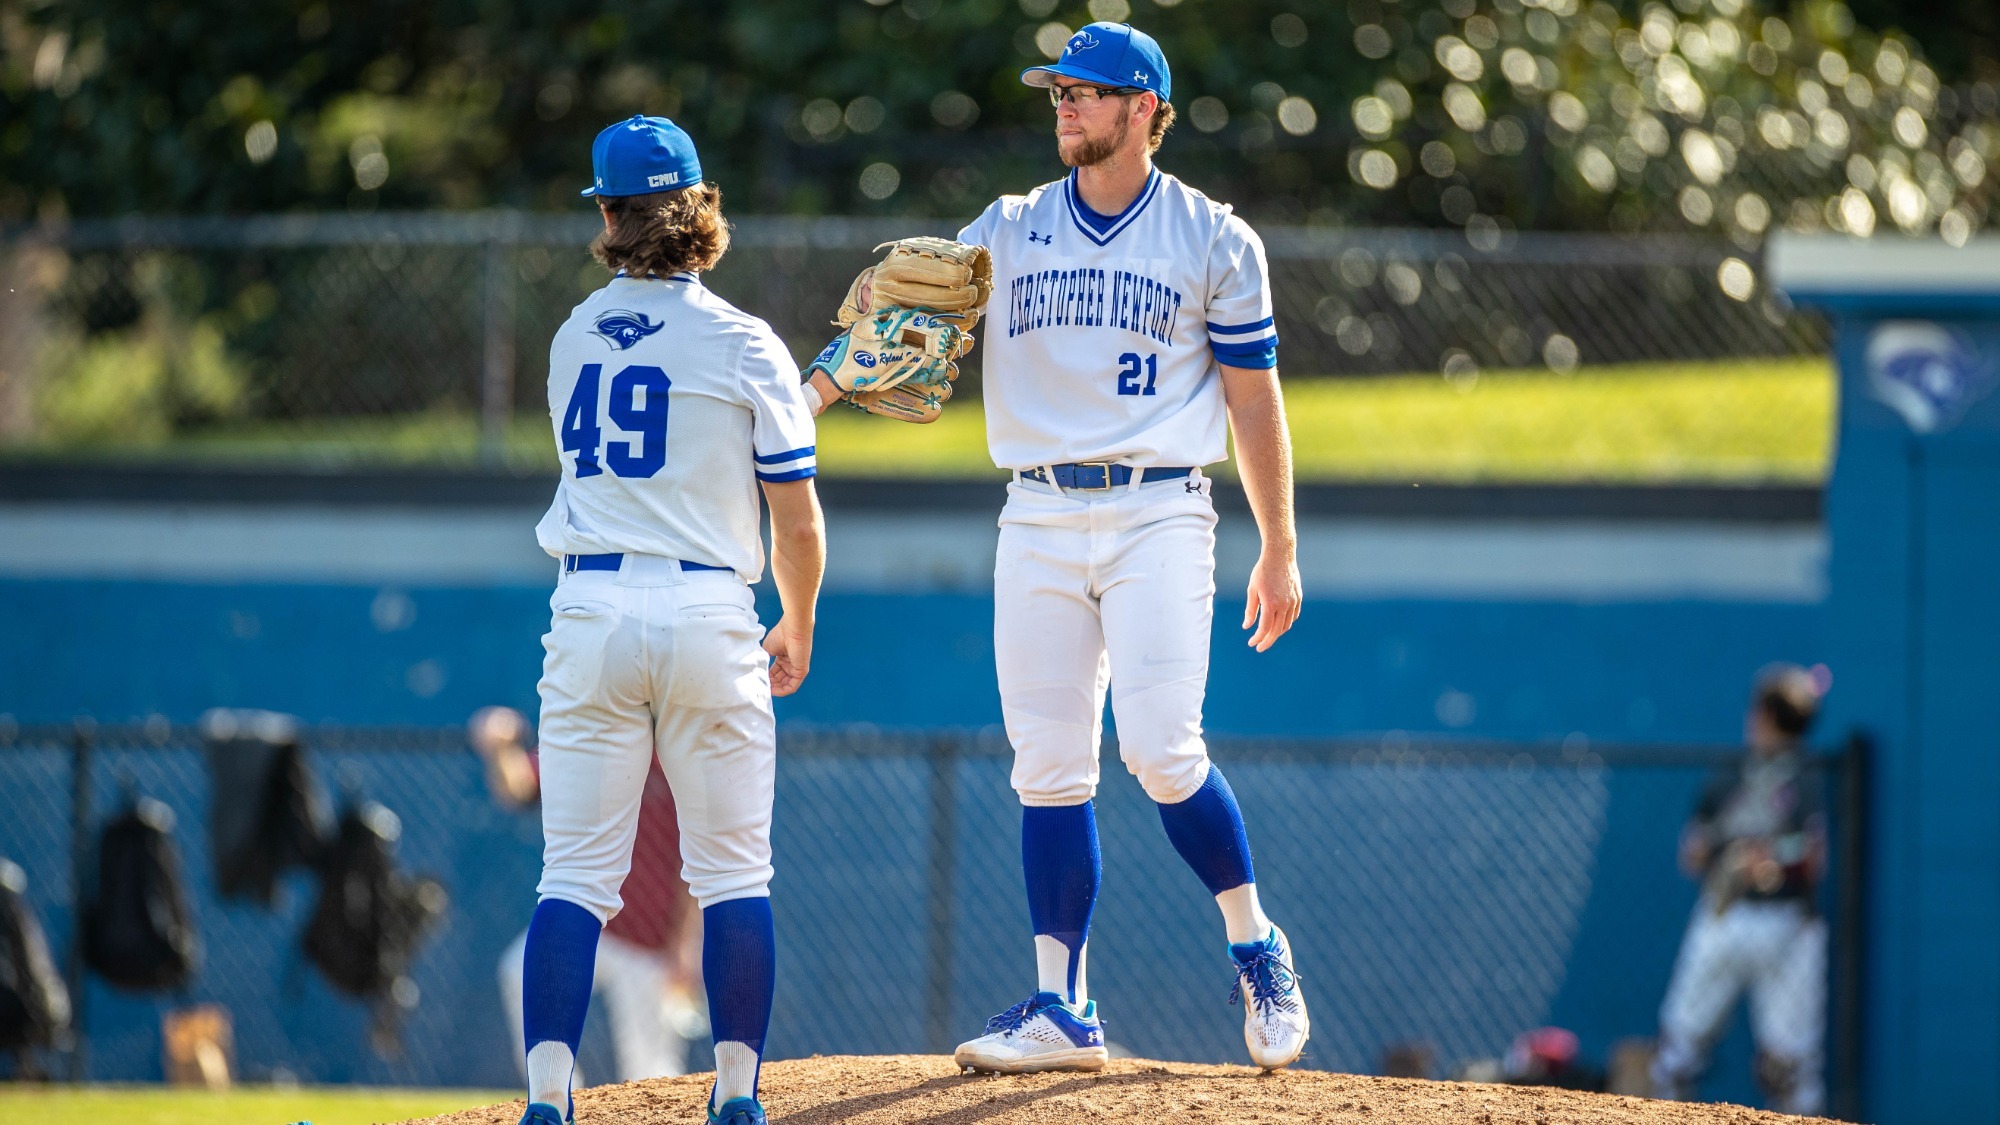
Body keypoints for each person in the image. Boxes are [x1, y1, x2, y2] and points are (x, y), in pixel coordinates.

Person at [908, 22, 1309, 1073]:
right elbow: (903, 325)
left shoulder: (1213, 237)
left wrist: (1278, 546)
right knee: (1046, 768)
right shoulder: (1003, 227)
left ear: (1143, 111)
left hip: (1159, 508)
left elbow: (1253, 403)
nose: (1062, 107)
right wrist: (819, 387)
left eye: (1084, 93)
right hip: (1034, 510)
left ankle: (1254, 945)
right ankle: (1060, 1007)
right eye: (1056, 93)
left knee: (1161, 749)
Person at [513, 114, 832, 1125]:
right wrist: (799, 619)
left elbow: (664, 445)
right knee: (734, 873)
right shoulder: (747, 344)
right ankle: (736, 1101)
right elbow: (792, 513)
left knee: (572, 879)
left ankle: (546, 1104)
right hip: (706, 610)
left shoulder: (571, 337)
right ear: (701, 208)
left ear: (607, 216)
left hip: (591, 606)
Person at [470, 706, 703, 1086]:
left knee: (652, 1074)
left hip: (650, 943)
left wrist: (685, 943)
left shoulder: (675, 761)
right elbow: (519, 786)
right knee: (522, 970)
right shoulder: (588, 747)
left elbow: (693, 862)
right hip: (586, 922)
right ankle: (556, 1097)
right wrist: (500, 747)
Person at [1650, 663, 1830, 1115]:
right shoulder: (1734, 776)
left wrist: (1765, 859)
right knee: (1678, 1053)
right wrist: (1726, 855)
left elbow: (1815, 859)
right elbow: (1691, 852)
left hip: (1783, 923)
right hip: (1729, 913)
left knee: (1788, 1068)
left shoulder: (1808, 778)